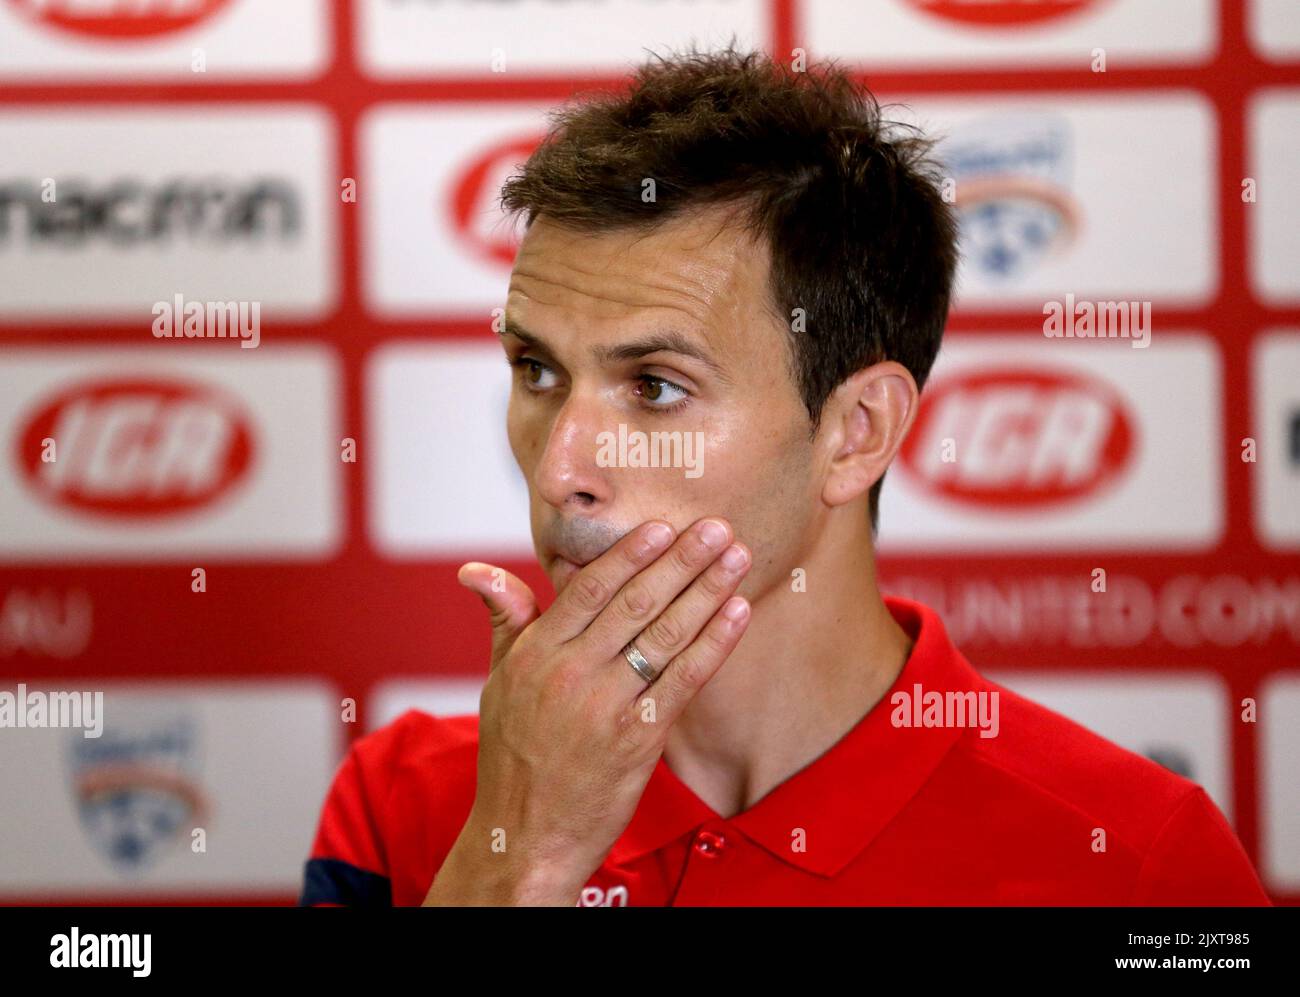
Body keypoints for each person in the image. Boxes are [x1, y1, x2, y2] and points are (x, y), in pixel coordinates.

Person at [300, 46, 1270, 906]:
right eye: (536, 370)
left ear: (856, 431)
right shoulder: (402, 801)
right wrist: (517, 866)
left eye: (654, 385)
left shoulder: (1135, 859)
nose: (561, 469)